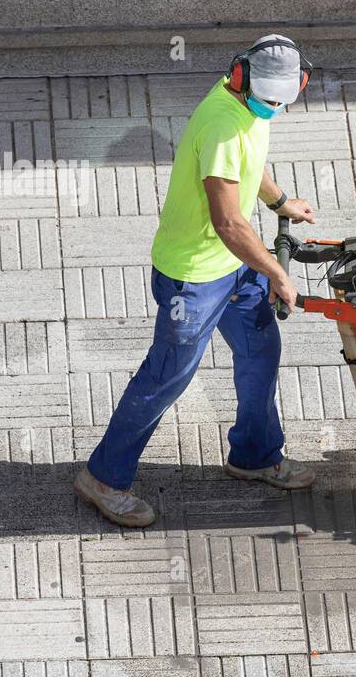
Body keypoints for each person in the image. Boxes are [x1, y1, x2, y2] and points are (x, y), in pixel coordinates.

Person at [74, 35, 317, 527]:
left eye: (280, 100)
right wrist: (276, 271)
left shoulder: (247, 105)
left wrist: (278, 201)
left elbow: (251, 163)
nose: (272, 108)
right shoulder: (222, 124)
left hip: (232, 265)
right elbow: (228, 222)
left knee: (259, 352)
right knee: (167, 377)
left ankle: (254, 456)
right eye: (267, 99)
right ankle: (103, 478)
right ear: (240, 76)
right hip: (194, 278)